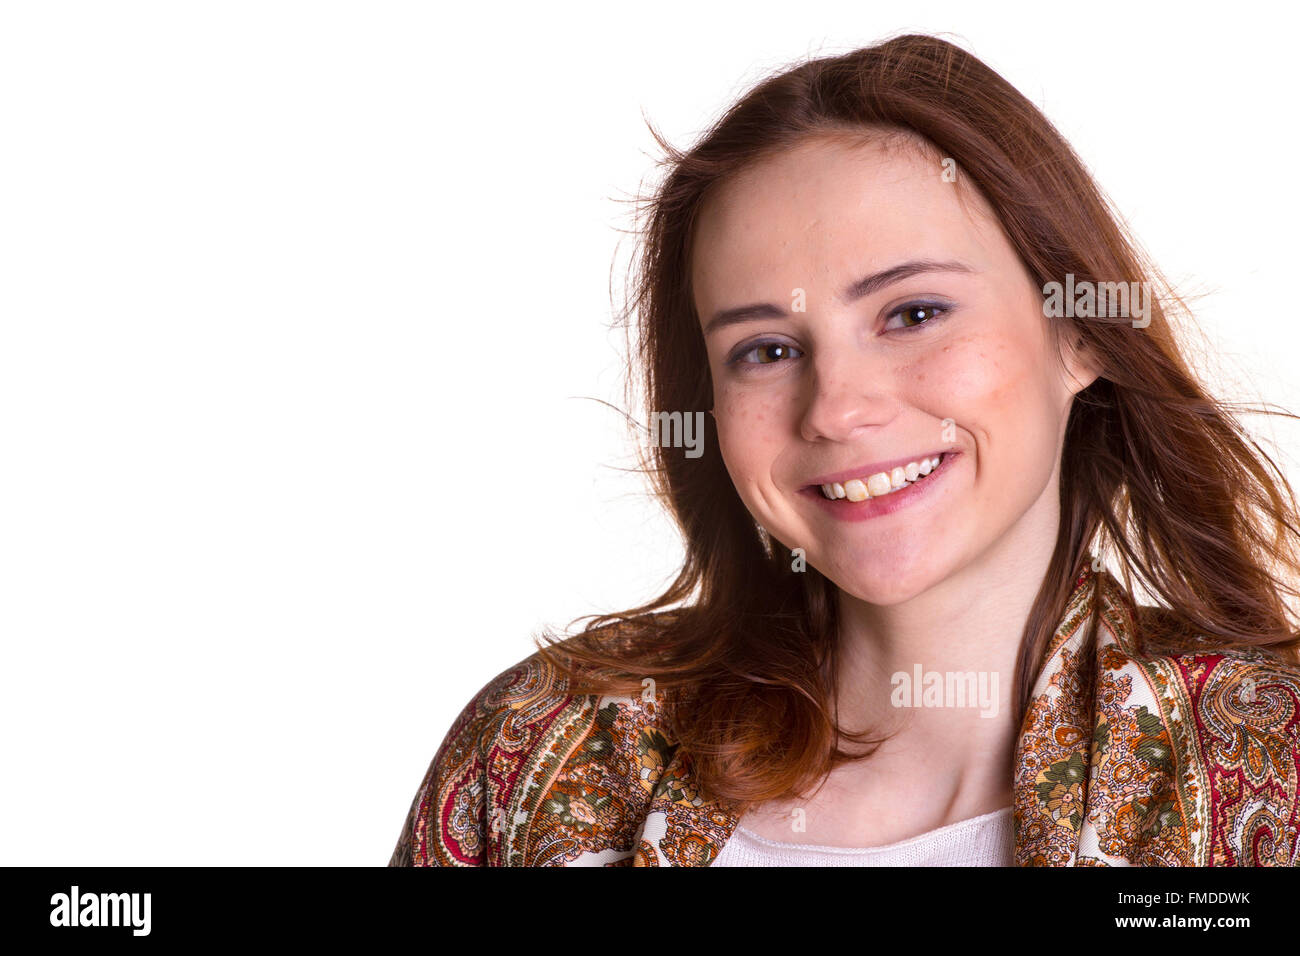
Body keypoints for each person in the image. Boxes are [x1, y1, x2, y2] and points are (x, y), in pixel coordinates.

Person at [388, 33, 1300, 867]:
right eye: (765, 351)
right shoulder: (536, 747)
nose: (835, 408)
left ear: (1080, 330)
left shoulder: (1273, 758)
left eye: (914, 313)